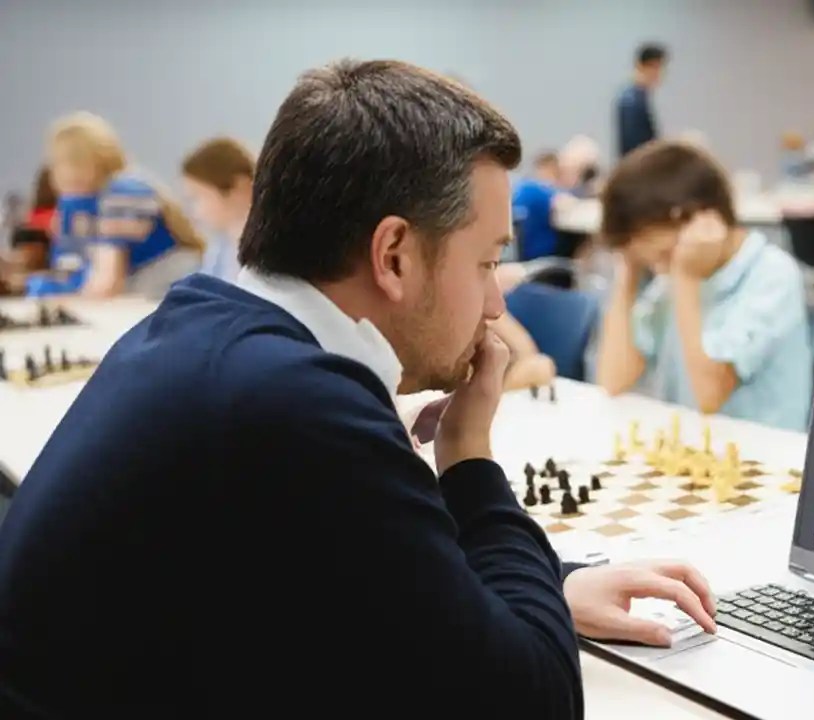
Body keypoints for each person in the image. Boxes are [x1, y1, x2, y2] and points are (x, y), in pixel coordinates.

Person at [0, 60, 716, 718]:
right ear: (394, 255)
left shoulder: (211, 328)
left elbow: (381, 558)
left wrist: (549, 585)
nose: (496, 305)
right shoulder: (295, 402)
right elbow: (533, 701)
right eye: (486, 262)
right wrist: (469, 455)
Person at [596, 140, 812, 431]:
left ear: (697, 219)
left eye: (662, 256)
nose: (660, 269)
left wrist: (686, 279)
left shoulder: (772, 275)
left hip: (760, 462)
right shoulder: (668, 280)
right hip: (694, 451)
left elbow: (709, 396)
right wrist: (628, 277)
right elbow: (614, 380)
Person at [28, 112, 204, 298]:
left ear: (99, 159)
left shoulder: (124, 192)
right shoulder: (73, 205)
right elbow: (72, 271)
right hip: (131, 286)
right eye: (59, 162)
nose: (66, 172)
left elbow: (107, 284)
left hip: (166, 284)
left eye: (76, 161)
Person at [181, 137, 255, 282]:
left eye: (197, 198)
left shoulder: (264, 252)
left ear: (239, 187)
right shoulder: (222, 246)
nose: (194, 212)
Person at [615, 42, 667, 158]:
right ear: (640, 66)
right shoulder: (631, 101)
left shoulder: (639, 98)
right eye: (654, 67)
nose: (658, 73)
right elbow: (635, 147)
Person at [511, 151, 564, 261]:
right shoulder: (547, 193)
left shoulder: (520, 188)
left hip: (519, 257)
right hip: (543, 259)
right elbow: (566, 204)